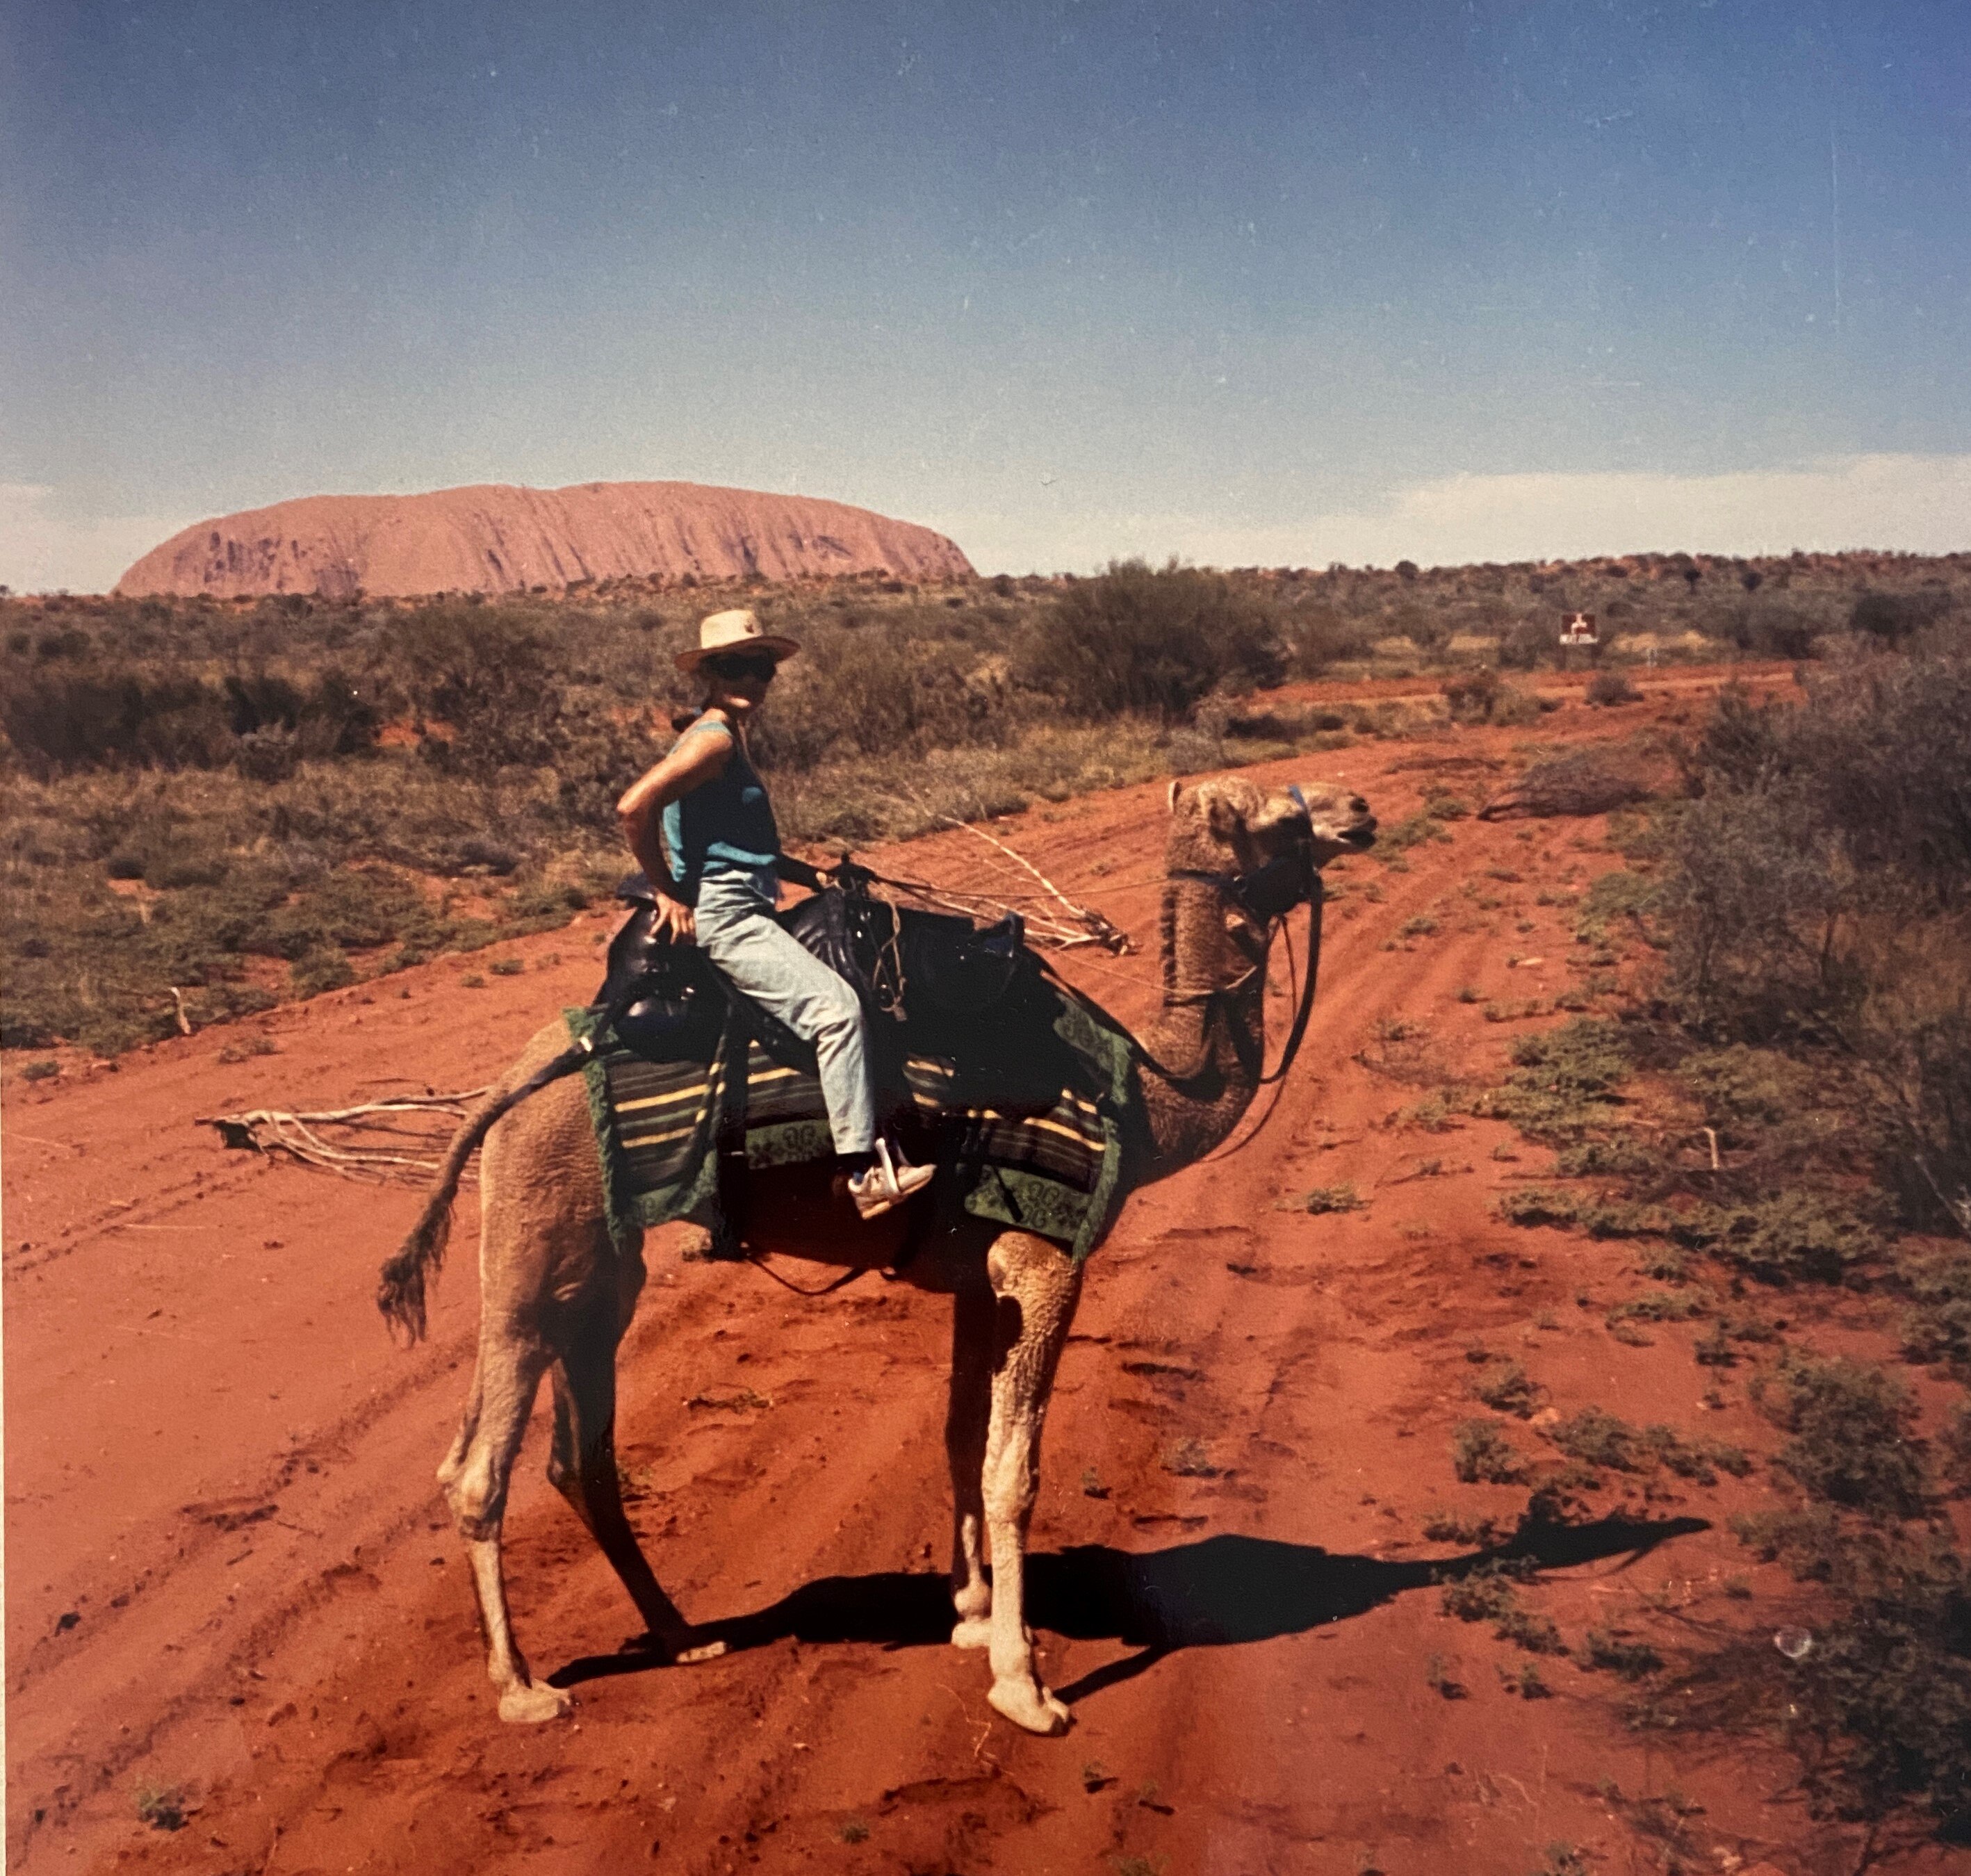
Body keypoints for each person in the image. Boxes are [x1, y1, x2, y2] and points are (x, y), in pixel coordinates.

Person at [615, 608, 933, 1222]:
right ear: (709, 672)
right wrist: (669, 892)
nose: (751, 678)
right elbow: (634, 808)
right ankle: (861, 1174)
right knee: (836, 1011)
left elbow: (737, 846)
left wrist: (811, 876)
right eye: (734, 666)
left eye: (760, 667)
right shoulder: (712, 739)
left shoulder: (724, 735)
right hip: (730, 916)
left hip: (749, 897)